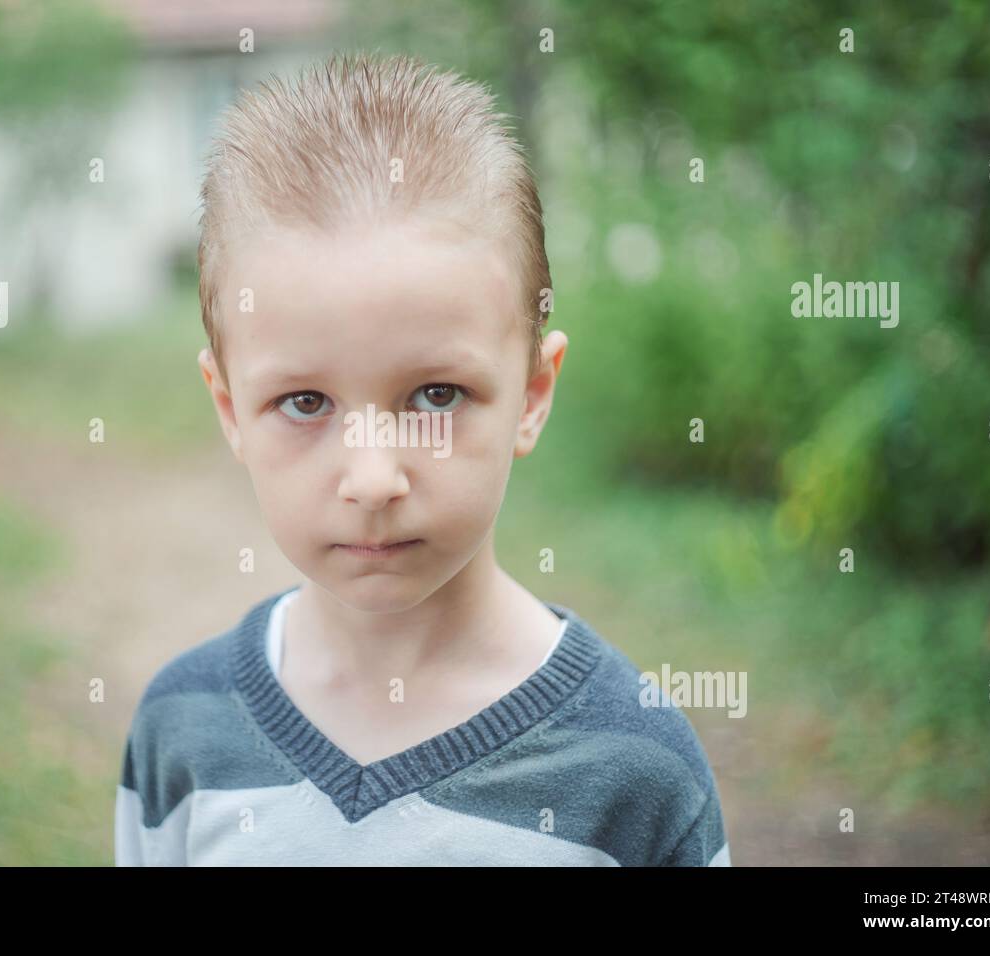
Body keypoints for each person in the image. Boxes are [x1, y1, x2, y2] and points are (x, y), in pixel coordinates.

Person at [115, 51, 729, 866]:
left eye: (435, 396)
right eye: (305, 403)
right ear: (229, 406)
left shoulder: (634, 770)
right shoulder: (181, 733)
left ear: (534, 392)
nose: (373, 481)